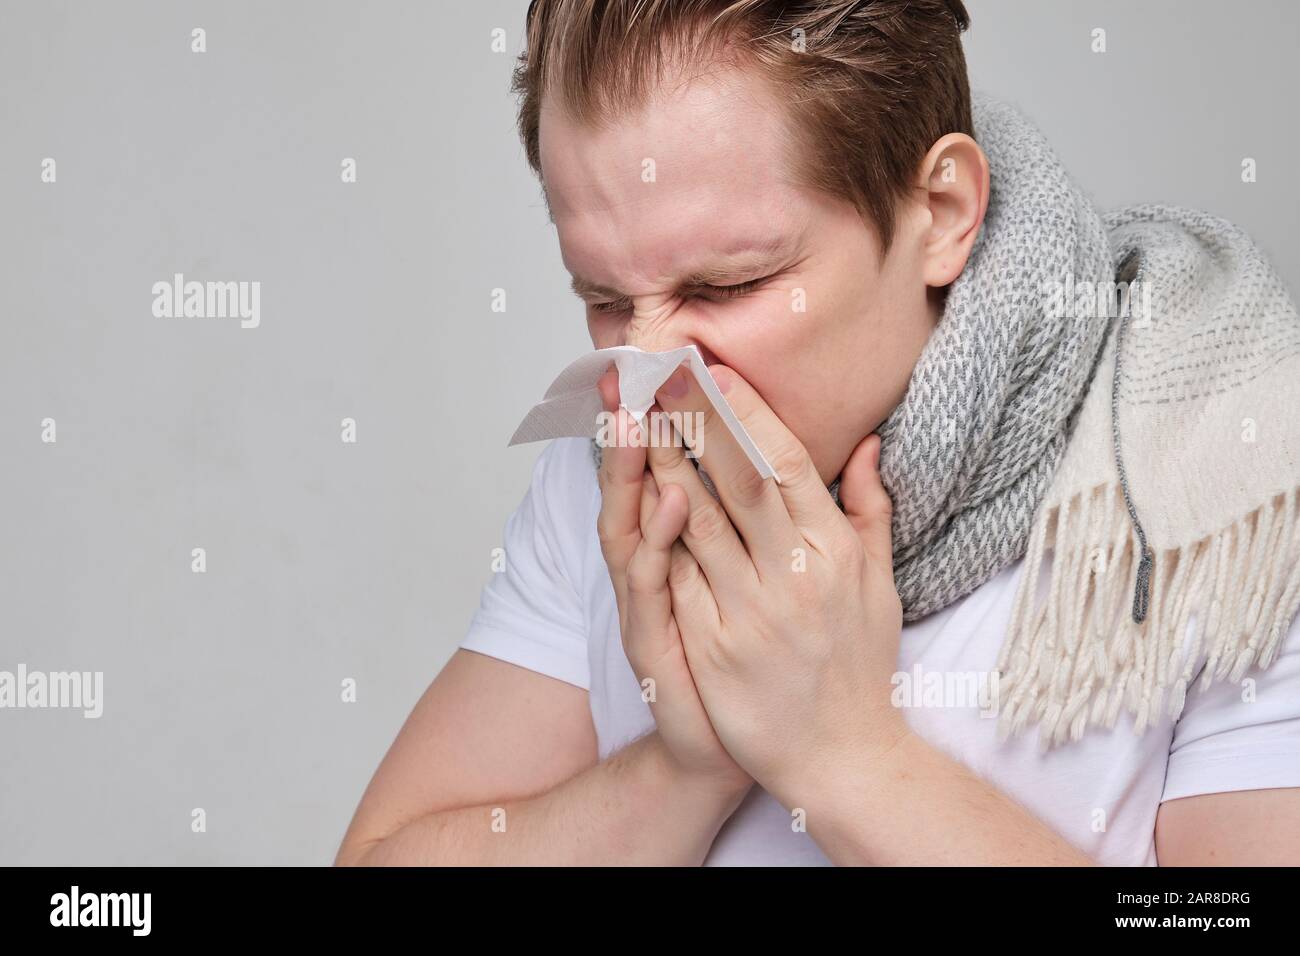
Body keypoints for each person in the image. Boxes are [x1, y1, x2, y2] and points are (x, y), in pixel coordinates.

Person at [335, 0, 1300, 866]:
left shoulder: (1214, 480)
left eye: (728, 287)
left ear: (942, 213)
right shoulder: (607, 476)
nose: (653, 369)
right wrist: (684, 769)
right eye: (603, 299)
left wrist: (844, 756)